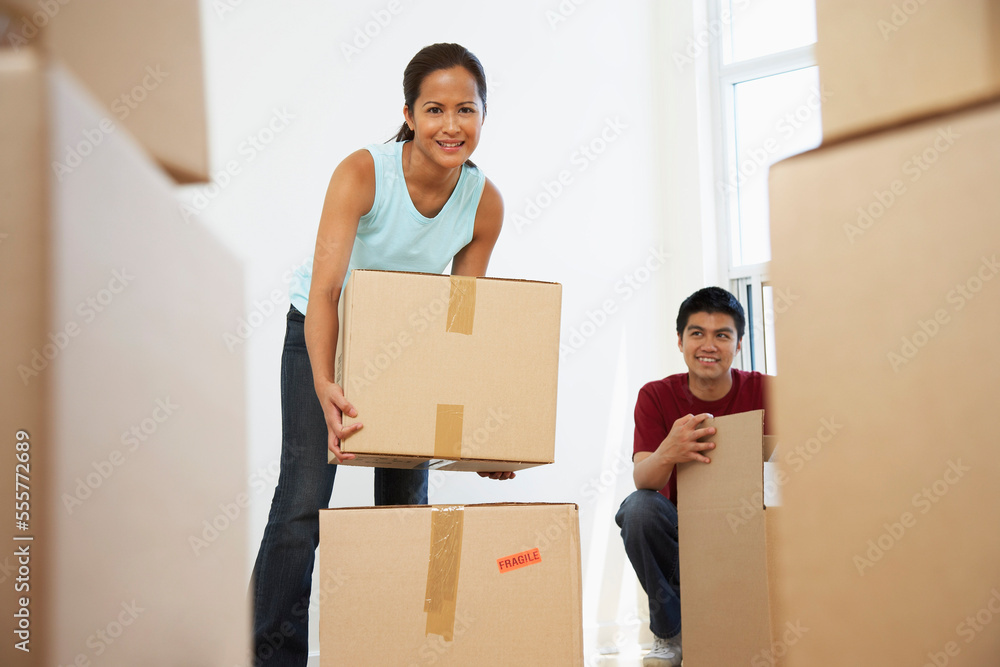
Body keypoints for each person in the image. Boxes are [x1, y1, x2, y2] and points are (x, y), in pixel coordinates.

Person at [250, 43, 513, 666]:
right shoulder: (364, 173)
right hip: (324, 330)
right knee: (304, 501)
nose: (452, 126)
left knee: (405, 509)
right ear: (409, 113)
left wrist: (477, 439)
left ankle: (398, 651)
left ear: (483, 116)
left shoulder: (485, 204)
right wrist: (323, 385)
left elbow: (459, 328)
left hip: (409, 346)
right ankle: (272, 657)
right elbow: (324, 292)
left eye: (467, 110)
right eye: (434, 109)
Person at [615, 286, 770, 667]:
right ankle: (671, 635)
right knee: (638, 510)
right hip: (684, 540)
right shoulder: (654, 396)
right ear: (680, 341)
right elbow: (642, 481)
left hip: (752, 532)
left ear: (739, 344)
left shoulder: (767, 391)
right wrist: (670, 450)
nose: (709, 345)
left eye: (722, 335)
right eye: (697, 333)